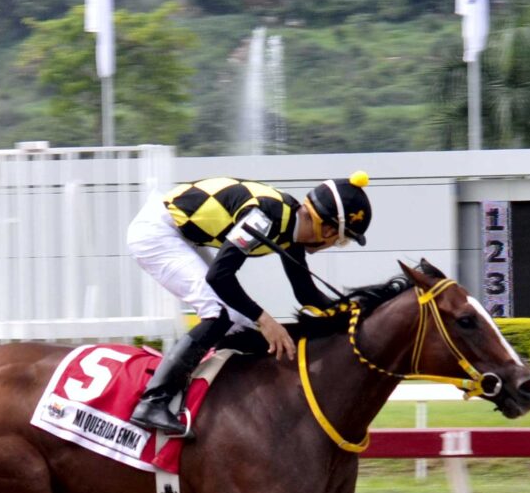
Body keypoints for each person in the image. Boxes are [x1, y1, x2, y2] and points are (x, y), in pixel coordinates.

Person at [125, 171, 372, 436]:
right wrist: (265, 321)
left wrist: (352, 311)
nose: (333, 245)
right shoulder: (264, 218)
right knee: (219, 313)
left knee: (239, 323)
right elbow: (219, 277)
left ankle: (212, 401)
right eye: (341, 240)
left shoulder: (291, 223)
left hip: (183, 234)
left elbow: (305, 293)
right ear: (328, 229)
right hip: (157, 233)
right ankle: (153, 401)